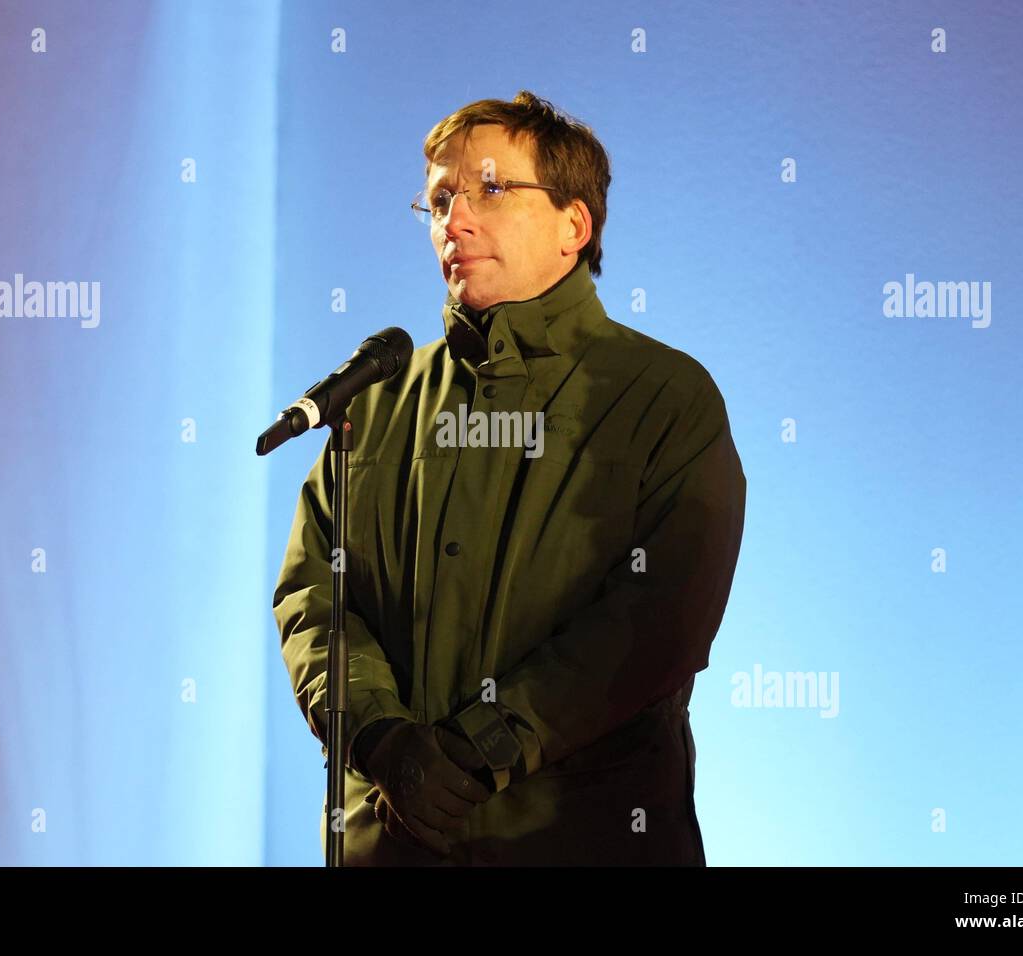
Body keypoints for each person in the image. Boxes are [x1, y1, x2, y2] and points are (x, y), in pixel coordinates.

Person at [274, 91, 746, 865]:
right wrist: (385, 740)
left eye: (490, 189)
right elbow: (314, 597)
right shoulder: (376, 401)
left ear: (574, 225)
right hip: (393, 847)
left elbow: (661, 617)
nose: (454, 221)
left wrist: (481, 749)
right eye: (437, 201)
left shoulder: (664, 395)